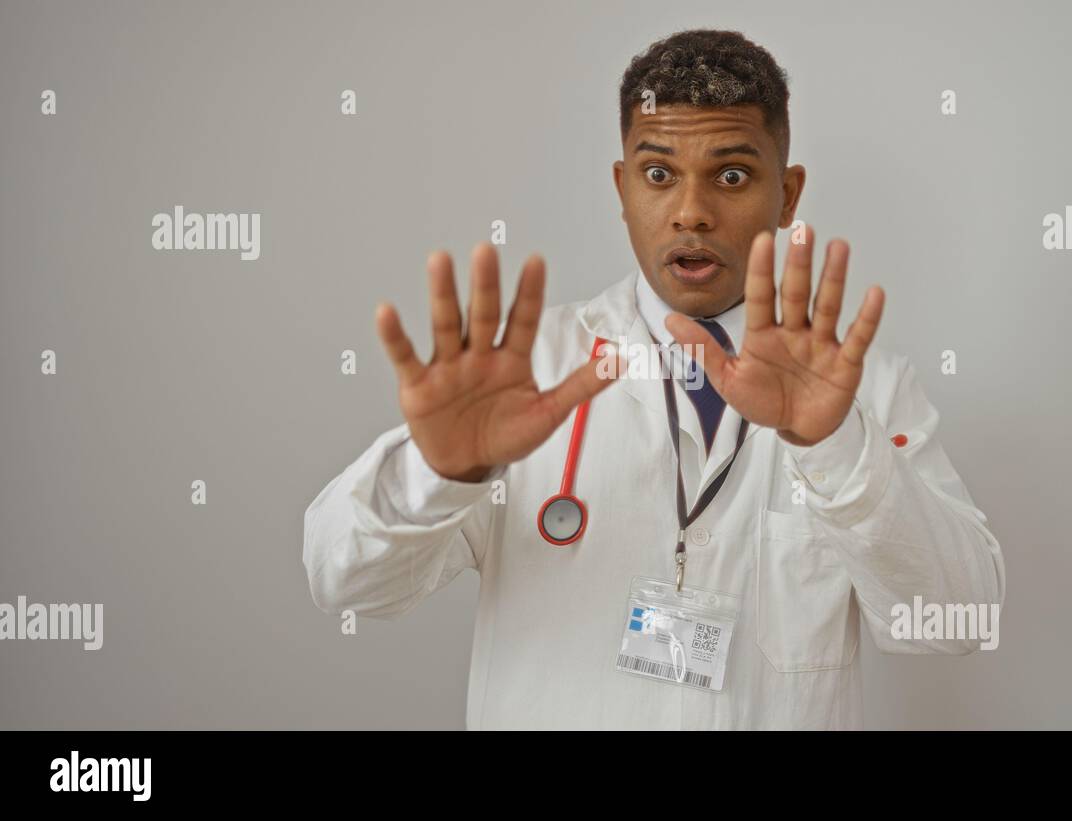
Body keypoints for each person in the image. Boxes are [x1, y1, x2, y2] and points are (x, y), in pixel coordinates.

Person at [302, 28, 1005, 730]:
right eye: (660, 173)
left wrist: (834, 448)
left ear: (787, 195)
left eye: (731, 174)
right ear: (622, 186)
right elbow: (344, 582)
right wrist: (442, 472)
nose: (691, 210)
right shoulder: (526, 373)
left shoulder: (864, 393)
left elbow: (959, 620)